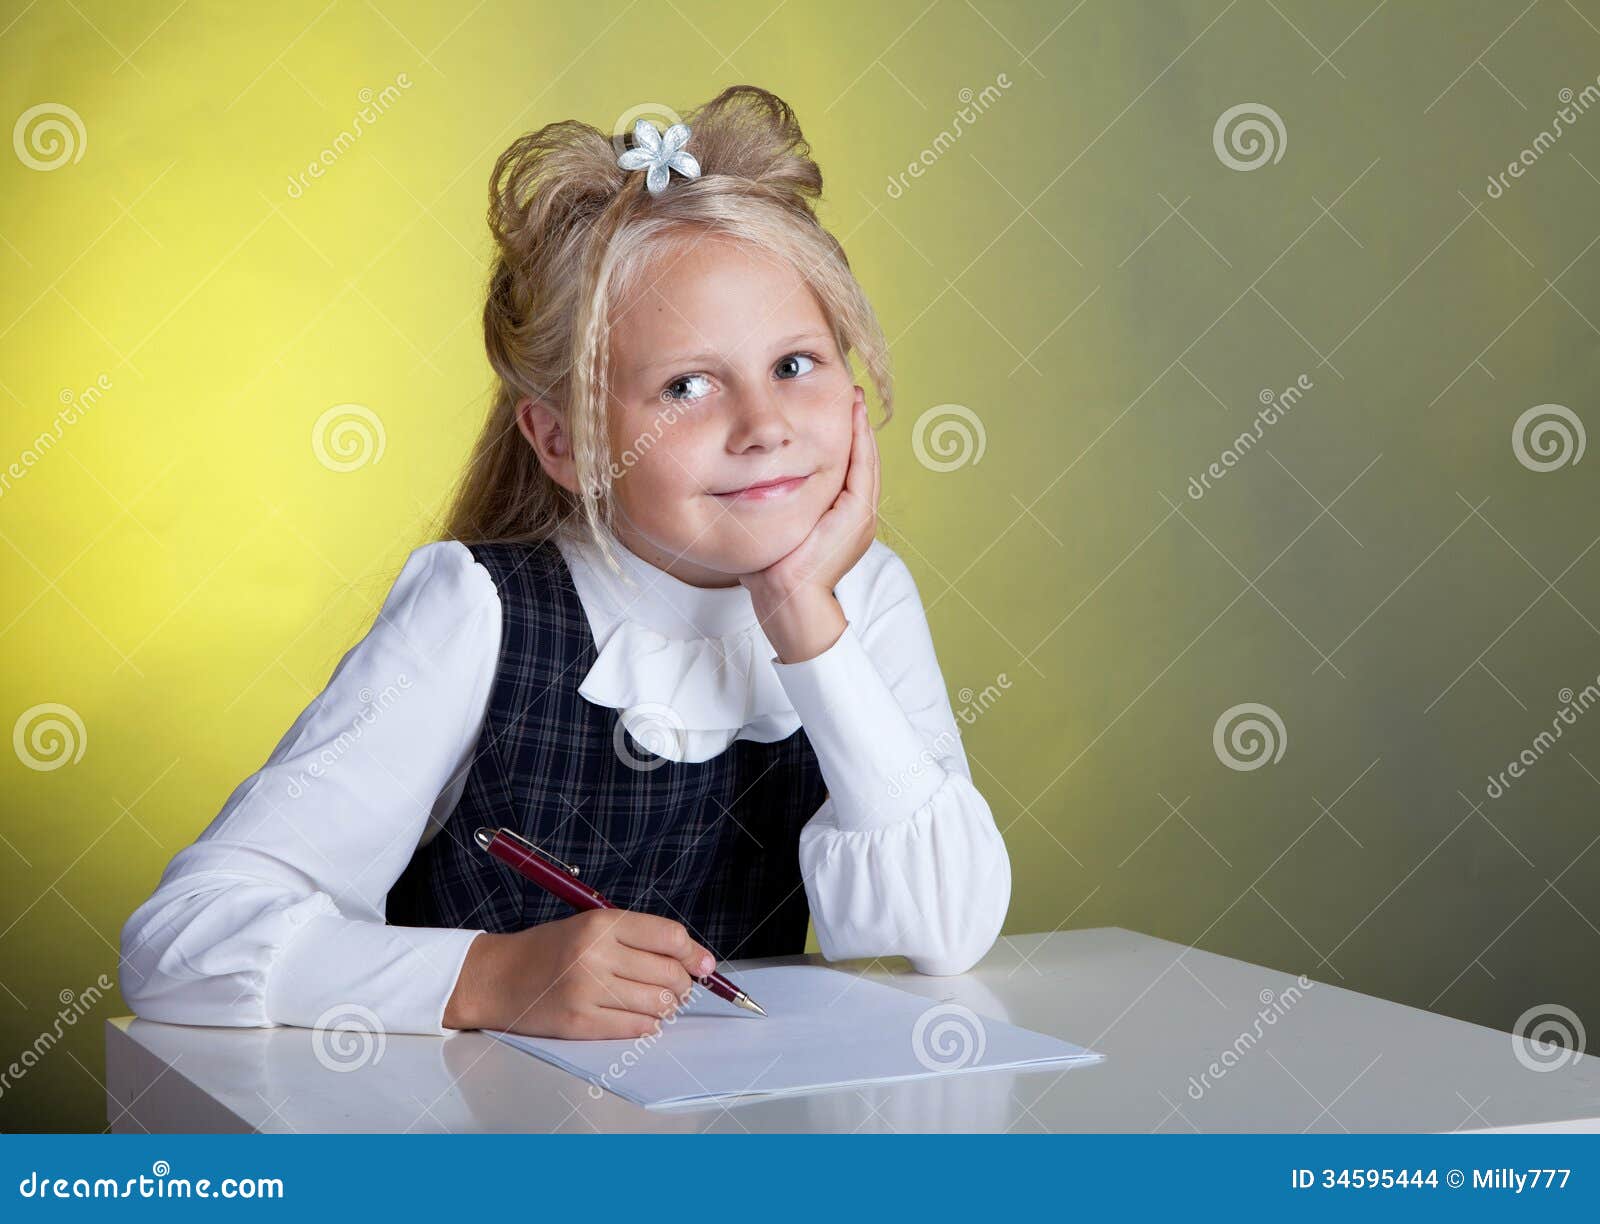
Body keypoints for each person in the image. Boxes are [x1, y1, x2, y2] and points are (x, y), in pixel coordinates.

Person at [120, 85, 1011, 1042]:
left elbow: (947, 929)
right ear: (564, 440)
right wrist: (490, 977)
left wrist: (801, 611)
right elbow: (181, 941)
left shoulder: (859, 601)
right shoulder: (481, 611)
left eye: (795, 364)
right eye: (686, 386)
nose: (763, 428)